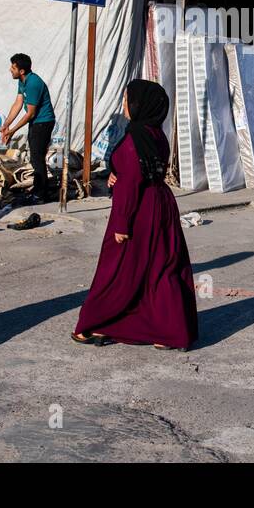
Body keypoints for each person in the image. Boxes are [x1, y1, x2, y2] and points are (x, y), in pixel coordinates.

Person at [72, 79, 197, 350]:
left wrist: (121, 224)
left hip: (137, 211)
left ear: (140, 105)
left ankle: (91, 324)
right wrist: (119, 175)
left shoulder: (133, 140)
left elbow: (131, 184)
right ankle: (169, 332)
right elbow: (139, 172)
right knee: (161, 269)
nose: (125, 105)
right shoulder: (155, 134)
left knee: (116, 271)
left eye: (128, 100)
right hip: (161, 203)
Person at [0, 53, 56, 204]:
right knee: (35, 157)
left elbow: (30, 113)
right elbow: (18, 103)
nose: (10, 70)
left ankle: (41, 194)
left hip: (43, 122)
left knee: (37, 158)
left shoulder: (33, 83)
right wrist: (6, 125)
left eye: (13, 67)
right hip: (37, 122)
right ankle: (39, 190)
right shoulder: (22, 81)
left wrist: (13, 131)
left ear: (22, 71)